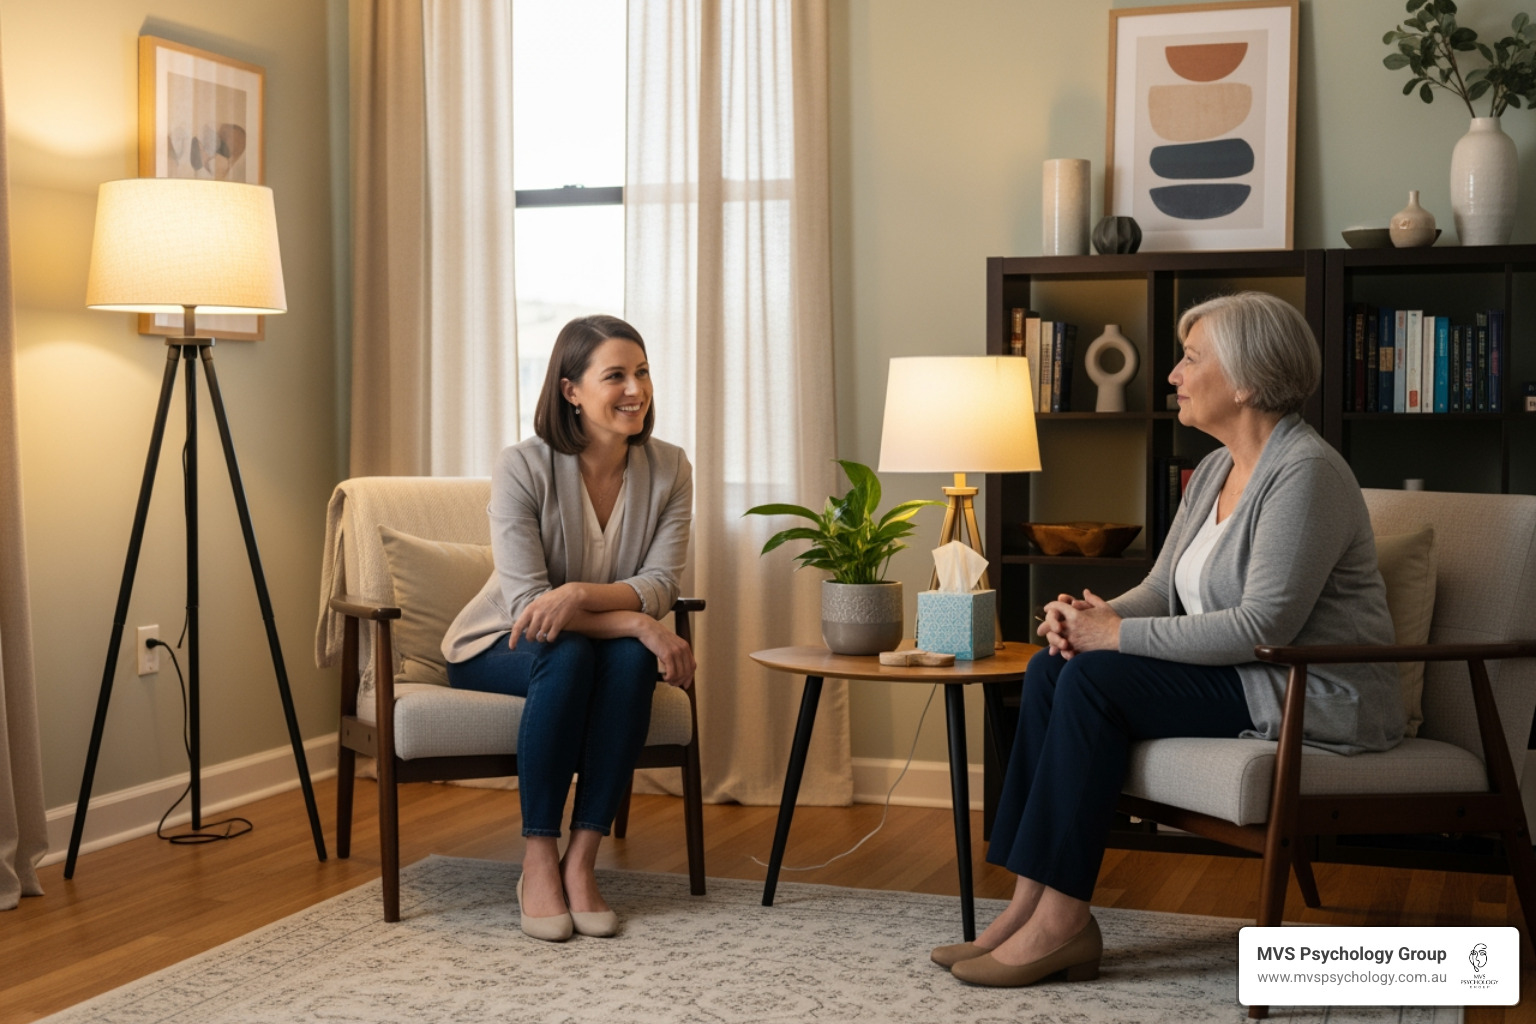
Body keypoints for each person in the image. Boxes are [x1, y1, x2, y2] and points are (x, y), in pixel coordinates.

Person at [933, 291, 1404, 987]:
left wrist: (1114, 636)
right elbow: (1161, 589)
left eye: (1190, 358)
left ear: (1245, 379)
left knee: (1094, 678)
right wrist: (1086, 621)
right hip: (1249, 676)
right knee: (1050, 668)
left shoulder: (1306, 474)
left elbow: (1261, 626)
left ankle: (1064, 923)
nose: (1174, 375)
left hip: (1312, 689)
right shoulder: (1213, 469)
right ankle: (1025, 905)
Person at [442, 314, 694, 943]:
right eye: (615, 376)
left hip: (586, 643)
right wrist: (637, 619)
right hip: (498, 644)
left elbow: (662, 582)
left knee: (627, 659)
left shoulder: (670, 468)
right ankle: (536, 861)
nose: (635, 388)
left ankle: (581, 861)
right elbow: (530, 603)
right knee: (574, 653)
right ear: (570, 390)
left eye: (641, 373)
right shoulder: (522, 466)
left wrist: (582, 593)